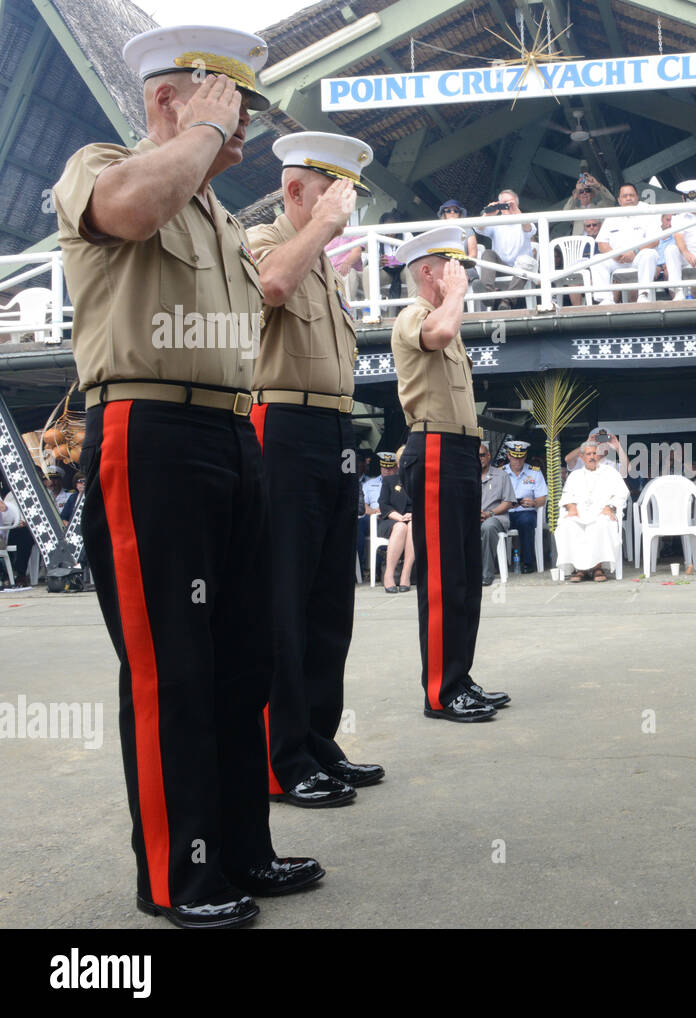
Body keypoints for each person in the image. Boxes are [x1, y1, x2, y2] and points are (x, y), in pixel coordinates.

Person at [52, 25, 320, 929]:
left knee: (244, 658)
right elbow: (126, 209)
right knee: (173, 665)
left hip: (232, 435)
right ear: (174, 99)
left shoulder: (216, 217)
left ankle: (245, 848)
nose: (242, 127)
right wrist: (199, 137)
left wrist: (213, 152)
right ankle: (180, 875)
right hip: (148, 432)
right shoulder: (105, 164)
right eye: (229, 104)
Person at [249, 131, 384, 807]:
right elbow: (270, 287)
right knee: (283, 602)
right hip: (280, 424)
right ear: (297, 191)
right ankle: (279, 757)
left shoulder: (326, 268)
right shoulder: (265, 242)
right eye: (332, 192)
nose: (343, 207)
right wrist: (323, 227)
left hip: (334, 427)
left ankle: (316, 741)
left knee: (330, 603)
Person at [390, 225, 509, 721]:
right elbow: (438, 334)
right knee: (441, 576)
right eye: (450, 268)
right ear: (427, 272)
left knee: (462, 574)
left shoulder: (446, 317)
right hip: (434, 445)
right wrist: (456, 294)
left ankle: (459, 676)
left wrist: (456, 295)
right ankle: (441, 689)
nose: (460, 277)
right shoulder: (416, 315)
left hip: (459, 449)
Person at [557, 441, 629, 582]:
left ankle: (597, 568)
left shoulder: (610, 473)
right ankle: (580, 569)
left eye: (594, 453)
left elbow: (622, 493)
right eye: (588, 454)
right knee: (569, 524)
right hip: (579, 513)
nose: (592, 457)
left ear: (599, 455)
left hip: (602, 512)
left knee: (601, 524)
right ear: (582, 458)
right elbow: (566, 495)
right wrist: (571, 508)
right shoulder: (575, 475)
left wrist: (609, 508)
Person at [591, 183, 658, 304]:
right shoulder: (612, 216)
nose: (628, 198)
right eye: (625, 196)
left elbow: (654, 241)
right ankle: (606, 299)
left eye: (631, 195)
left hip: (638, 258)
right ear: (619, 200)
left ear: (637, 198)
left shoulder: (647, 214)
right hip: (617, 260)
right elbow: (602, 243)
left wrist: (635, 252)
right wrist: (614, 254)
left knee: (649, 254)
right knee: (597, 260)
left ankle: (644, 295)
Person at [479, 188, 537, 309]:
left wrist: (516, 212)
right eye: (504, 203)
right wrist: (487, 214)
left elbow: (529, 229)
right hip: (501, 267)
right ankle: (489, 294)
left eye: (510, 203)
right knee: (487, 253)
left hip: (521, 269)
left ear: (517, 204)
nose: (507, 206)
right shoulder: (495, 221)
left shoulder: (523, 220)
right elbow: (479, 228)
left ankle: (507, 301)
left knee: (526, 261)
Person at [503, 439, 547, 573]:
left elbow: (542, 499)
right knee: (491, 524)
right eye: (515, 457)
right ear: (508, 455)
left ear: (525, 456)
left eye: (521, 457)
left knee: (526, 521)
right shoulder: (500, 472)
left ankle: (527, 562)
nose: (518, 461)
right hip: (505, 512)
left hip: (526, 512)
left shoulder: (535, 472)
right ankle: (495, 563)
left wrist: (534, 503)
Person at [377, 450, 414, 592]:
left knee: (412, 526)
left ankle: (406, 574)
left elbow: (424, 503)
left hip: (412, 520)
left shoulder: (418, 481)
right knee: (400, 527)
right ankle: (389, 575)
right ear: (398, 464)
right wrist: (399, 517)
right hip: (390, 521)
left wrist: (413, 515)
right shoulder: (389, 481)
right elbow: (383, 504)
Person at [478, 444, 515, 585]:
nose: (479, 458)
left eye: (482, 455)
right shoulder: (468, 476)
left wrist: (490, 513)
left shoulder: (501, 475)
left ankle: (486, 574)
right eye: (476, 456)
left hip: (496, 517)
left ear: (488, 456)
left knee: (488, 527)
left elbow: (508, 502)